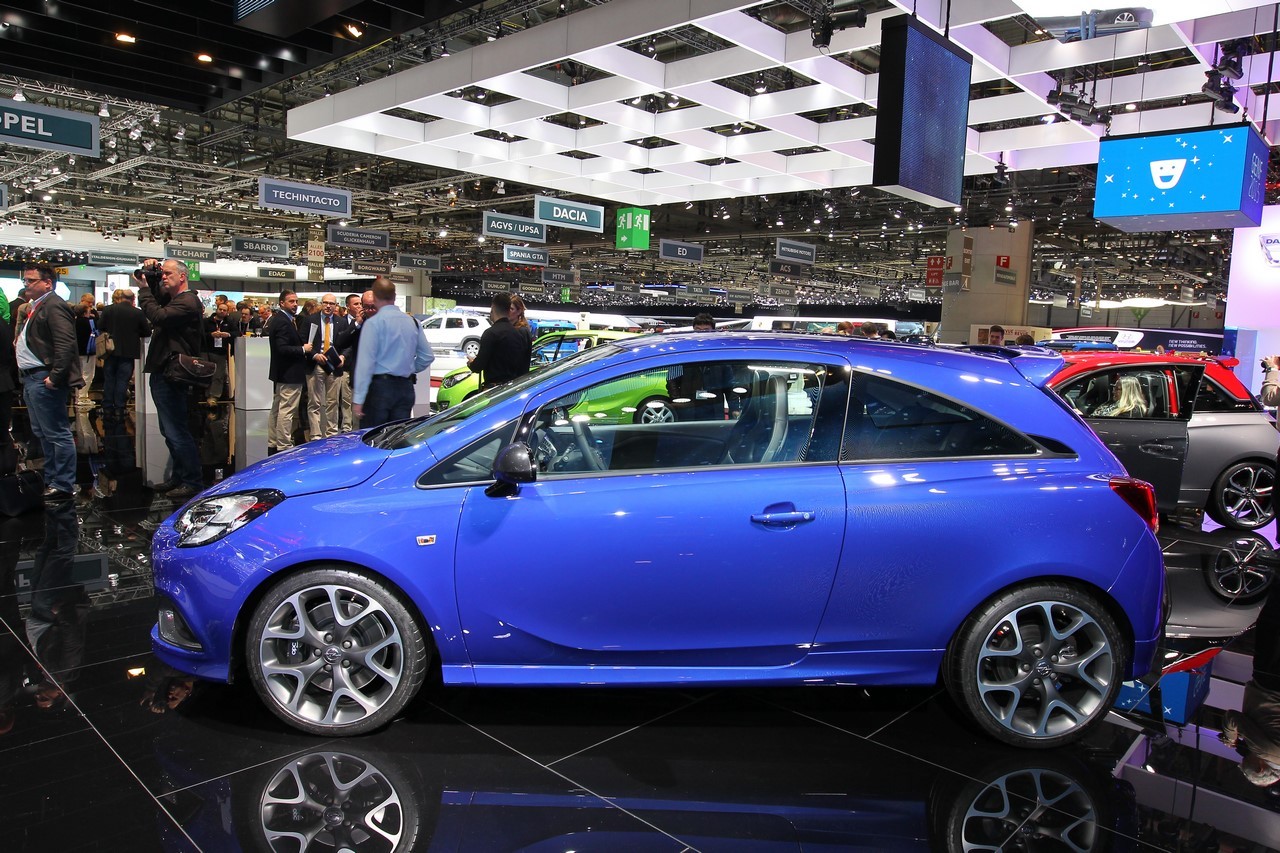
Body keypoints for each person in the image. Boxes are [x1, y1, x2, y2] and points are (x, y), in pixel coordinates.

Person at [137, 258, 205, 499]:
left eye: (167, 274)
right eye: (162, 274)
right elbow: (159, 302)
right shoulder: (178, 300)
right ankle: (179, 476)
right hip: (165, 371)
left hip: (174, 374)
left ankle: (192, 480)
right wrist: (152, 278)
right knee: (169, 429)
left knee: (176, 430)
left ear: (183, 276)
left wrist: (144, 289)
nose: (163, 277)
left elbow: (157, 315)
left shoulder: (188, 301)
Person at [16, 263, 83, 500]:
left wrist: (55, 376)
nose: (26, 284)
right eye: (25, 280)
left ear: (48, 283)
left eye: (31, 280)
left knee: (56, 433)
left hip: (44, 378)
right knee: (43, 432)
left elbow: (66, 344)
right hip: (32, 378)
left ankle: (63, 483)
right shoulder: (37, 306)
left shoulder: (54, 306)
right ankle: (53, 478)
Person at [1220, 582, 1280, 787]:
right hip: (1269, 683)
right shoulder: (1268, 753)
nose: (1247, 752)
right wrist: (1230, 739)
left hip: (1274, 684)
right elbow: (1233, 718)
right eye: (1247, 759)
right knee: (1270, 625)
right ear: (1261, 767)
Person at [353, 278, 431, 429]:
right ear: (395, 297)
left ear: (375, 298)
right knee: (397, 438)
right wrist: (409, 368)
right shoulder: (413, 322)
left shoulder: (373, 323)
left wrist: (359, 399)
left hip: (379, 390)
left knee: (374, 439)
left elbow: (365, 365)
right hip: (406, 388)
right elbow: (427, 356)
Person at [267, 290, 311, 451]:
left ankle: (274, 440)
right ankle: (283, 444)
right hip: (289, 373)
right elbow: (282, 348)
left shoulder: (284, 320)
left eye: (296, 301)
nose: (295, 304)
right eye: (291, 301)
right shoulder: (282, 321)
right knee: (286, 410)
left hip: (283, 372)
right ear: (282, 303)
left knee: (278, 408)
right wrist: (302, 349)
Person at [96, 288, 151, 417]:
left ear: (120, 298)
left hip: (110, 350)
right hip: (129, 351)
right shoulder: (137, 313)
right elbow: (147, 332)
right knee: (123, 380)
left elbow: (100, 326)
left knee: (109, 379)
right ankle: (120, 407)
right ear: (133, 300)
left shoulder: (108, 310)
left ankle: (107, 406)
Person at [303, 293, 350, 440]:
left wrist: (343, 356)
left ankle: (331, 434)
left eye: (331, 303)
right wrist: (314, 355)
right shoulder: (310, 320)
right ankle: (316, 435)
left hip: (334, 365)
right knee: (314, 402)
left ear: (336, 306)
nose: (328, 306)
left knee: (333, 401)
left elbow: (348, 344)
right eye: (325, 303)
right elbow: (303, 341)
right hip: (316, 363)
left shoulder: (341, 322)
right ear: (321, 304)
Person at [468, 292, 531, 390]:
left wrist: (472, 363)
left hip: (495, 389)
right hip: (514, 387)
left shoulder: (491, 333)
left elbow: (478, 366)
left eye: (512, 309)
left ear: (493, 308)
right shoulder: (517, 333)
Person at [203, 299, 239, 401]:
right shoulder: (207, 321)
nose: (222, 311)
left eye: (224, 310)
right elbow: (200, 334)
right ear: (217, 309)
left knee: (219, 375)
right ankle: (205, 394)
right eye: (220, 309)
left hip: (221, 352)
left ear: (227, 312)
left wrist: (228, 334)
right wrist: (211, 335)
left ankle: (214, 397)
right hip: (207, 351)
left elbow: (237, 333)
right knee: (206, 374)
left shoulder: (229, 322)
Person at [337, 293, 364, 431]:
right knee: (345, 401)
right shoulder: (341, 322)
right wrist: (355, 323)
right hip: (344, 368)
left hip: (358, 368)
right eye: (356, 304)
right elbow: (341, 342)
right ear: (348, 306)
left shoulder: (366, 322)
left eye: (360, 304)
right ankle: (346, 429)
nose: (359, 306)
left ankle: (356, 430)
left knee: (357, 402)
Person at [73, 301, 98, 407]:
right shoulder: (90, 322)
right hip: (88, 351)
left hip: (76, 352)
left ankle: (78, 396)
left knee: (78, 374)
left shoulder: (73, 322)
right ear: (85, 312)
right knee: (88, 374)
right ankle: (82, 397)